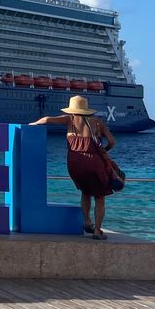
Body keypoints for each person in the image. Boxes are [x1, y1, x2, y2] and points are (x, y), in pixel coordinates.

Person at [31, 95, 118, 240]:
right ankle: (97, 231)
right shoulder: (97, 123)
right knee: (99, 197)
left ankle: (87, 221)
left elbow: (46, 119)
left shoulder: (69, 120)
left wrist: (33, 124)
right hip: (94, 161)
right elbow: (112, 141)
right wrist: (105, 150)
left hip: (74, 162)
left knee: (85, 192)